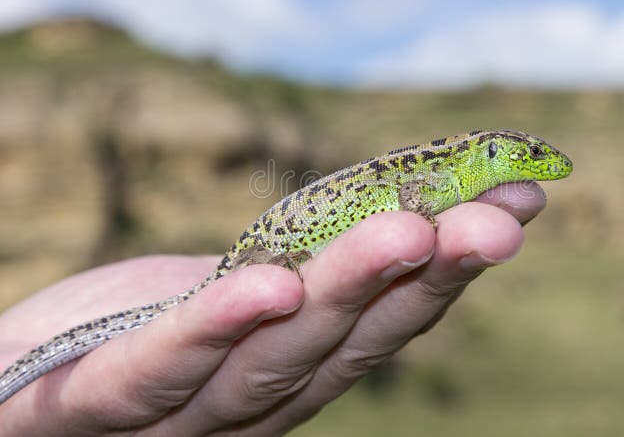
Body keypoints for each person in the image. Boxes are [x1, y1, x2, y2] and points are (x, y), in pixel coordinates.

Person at [0, 182, 546, 434]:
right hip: (264, 251)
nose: (546, 167)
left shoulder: (450, 175)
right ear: (491, 156)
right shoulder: (437, 174)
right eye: (534, 157)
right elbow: (411, 201)